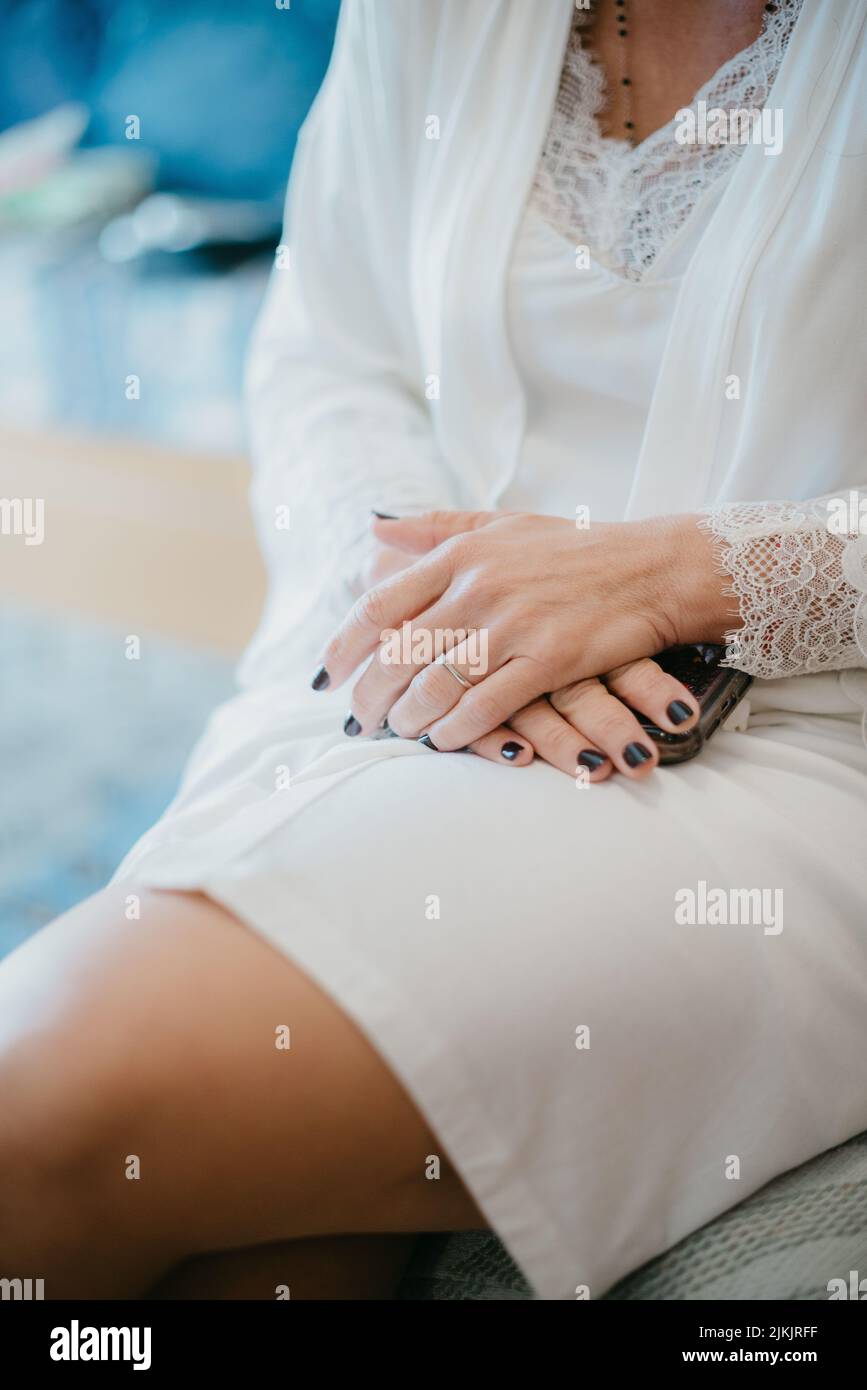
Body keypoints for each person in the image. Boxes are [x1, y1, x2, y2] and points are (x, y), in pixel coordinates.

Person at [2, 0, 865, 1300]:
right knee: (261, 1255)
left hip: (798, 754)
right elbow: (328, 357)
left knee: (34, 1109)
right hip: (419, 680)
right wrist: (449, 601)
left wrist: (667, 581)